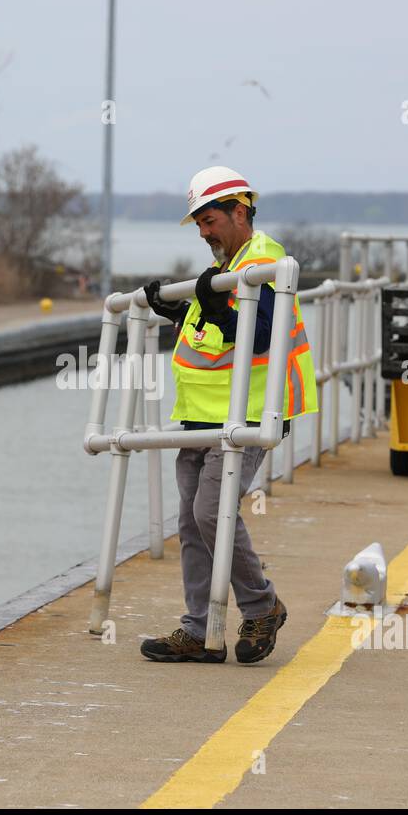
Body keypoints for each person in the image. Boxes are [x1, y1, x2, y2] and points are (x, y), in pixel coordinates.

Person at [138, 166, 318, 664]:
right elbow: (217, 334)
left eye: (209, 220)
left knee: (209, 513)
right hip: (202, 415)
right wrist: (179, 312)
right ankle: (199, 629)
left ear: (240, 211)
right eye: (197, 223)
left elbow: (261, 335)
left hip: (248, 414)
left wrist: (212, 307)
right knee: (192, 523)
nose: (203, 232)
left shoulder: (264, 260)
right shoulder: (229, 266)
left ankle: (261, 606)